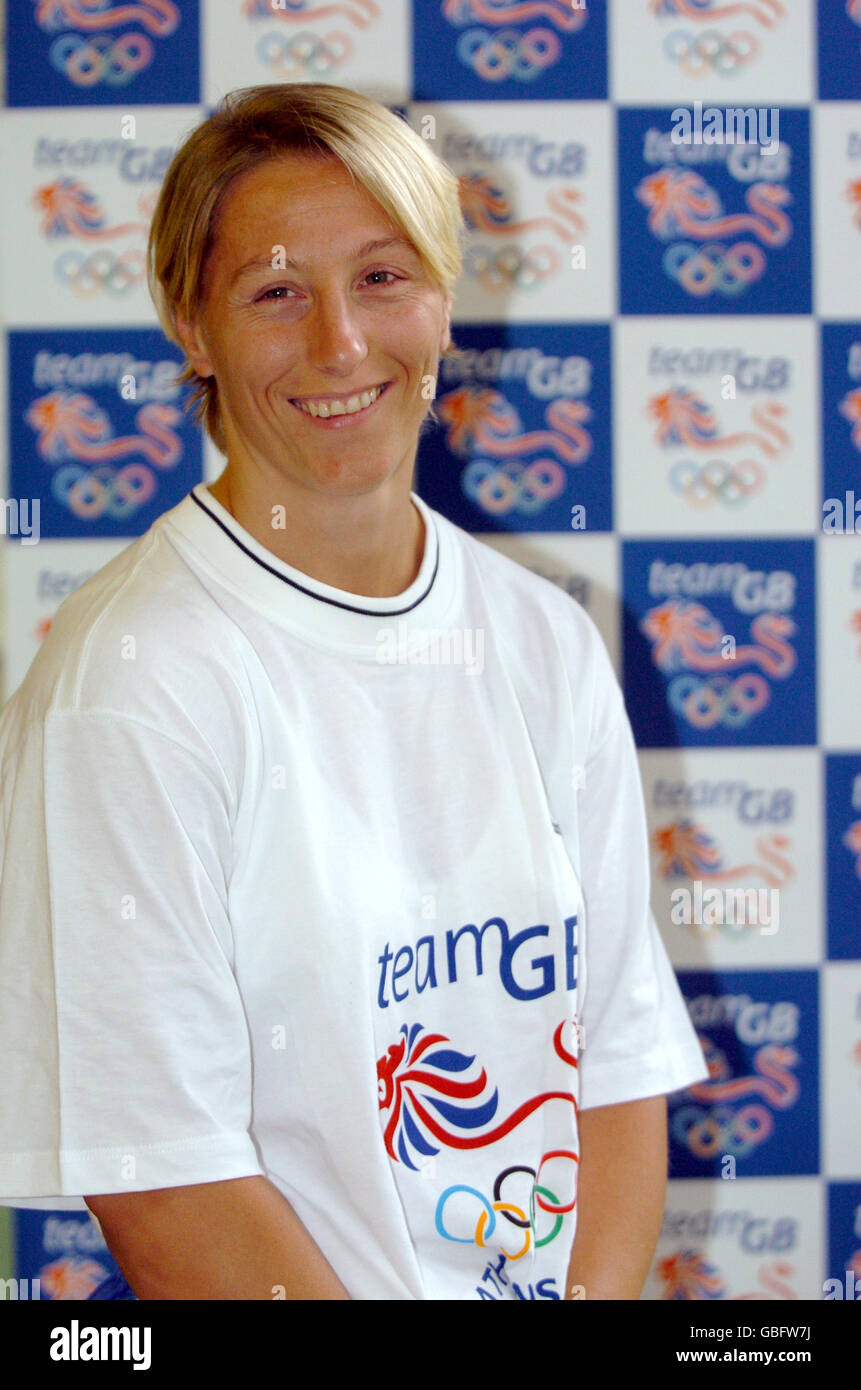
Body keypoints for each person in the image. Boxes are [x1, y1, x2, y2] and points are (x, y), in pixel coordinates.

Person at [0, 83, 707, 1301]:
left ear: (444, 295)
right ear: (192, 324)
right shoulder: (129, 687)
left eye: (383, 277)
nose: (339, 343)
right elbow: (169, 1183)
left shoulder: (544, 639)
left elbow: (616, 1071)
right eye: (276, 292)